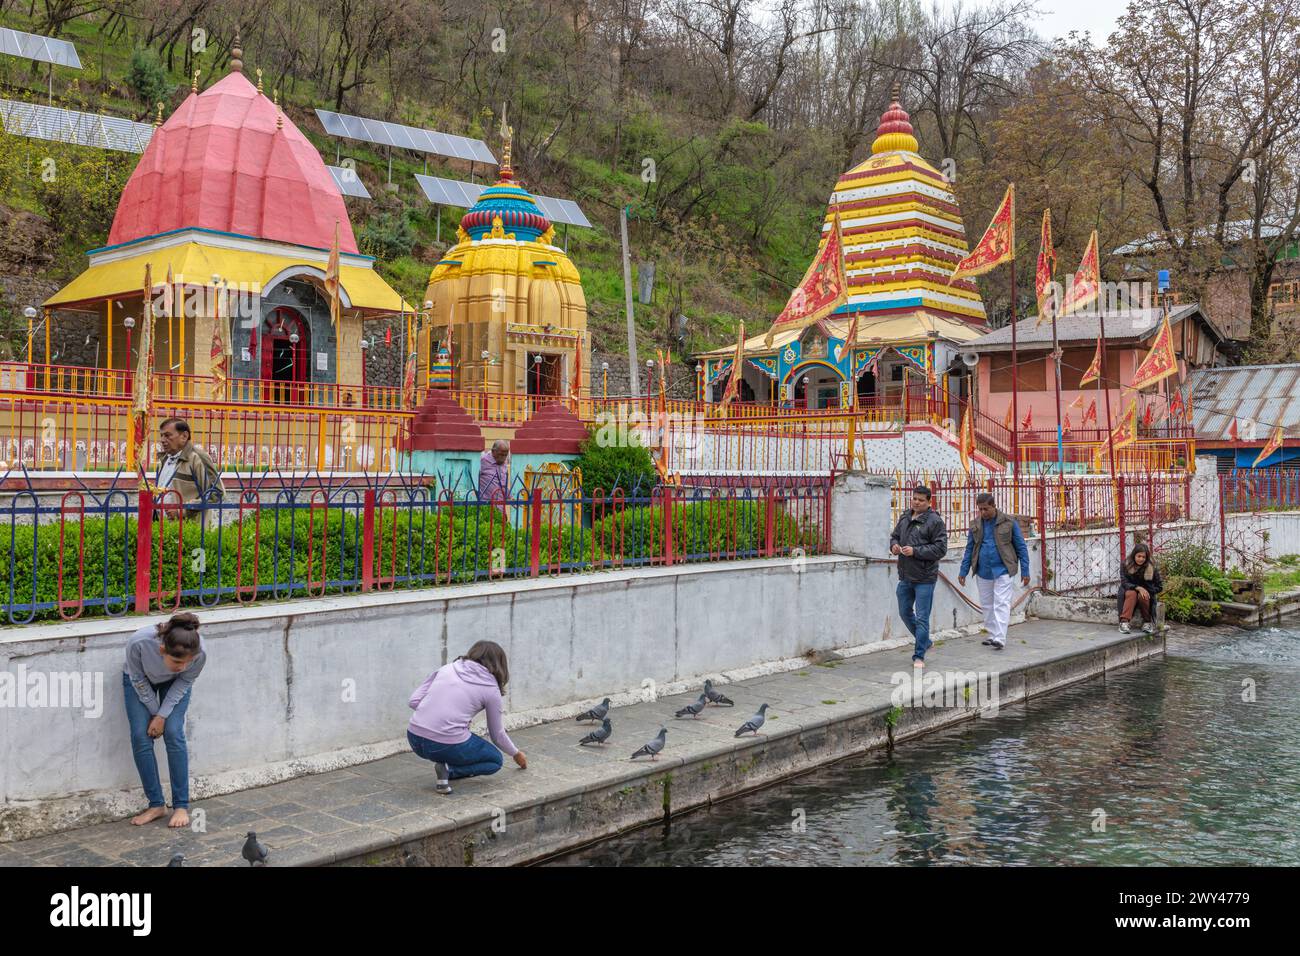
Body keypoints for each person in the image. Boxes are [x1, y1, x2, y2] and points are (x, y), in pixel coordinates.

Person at [408, 640, 527, 794]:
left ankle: (444, 775)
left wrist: (437, 713)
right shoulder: (491, 690)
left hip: (414, 738)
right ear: (500, 664)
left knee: (458, 738)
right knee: (495, 761)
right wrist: (516, 754)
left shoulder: (447, 668)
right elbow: (497, 735)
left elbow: (413, 701)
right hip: (444, 744)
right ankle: (449, 771)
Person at [122, 612, 206, 828]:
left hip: (175, 685)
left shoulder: (199, 652)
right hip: (139, 681)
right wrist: (154, 713)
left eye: (189, 662)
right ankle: (156, 805)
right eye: (177, 661)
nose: (183, 666)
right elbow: (138, 679)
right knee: (140, 735)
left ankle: (180, 805)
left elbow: (184, 680)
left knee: (173, 732)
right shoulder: (138, 642)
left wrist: (161, 716)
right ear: (162, 650)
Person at [958, 492, 1031, 651]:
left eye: (986, 509)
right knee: (987, 604)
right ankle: (992, 634)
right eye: (980, 509)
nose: (983, 512)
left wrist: (1025, 571)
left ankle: (1000, 638)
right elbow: (970, 549)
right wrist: (963, 571)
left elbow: (1021, 547)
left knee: (1001, 603)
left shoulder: (1009, 522)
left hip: (1003, 569)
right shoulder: (975, 524)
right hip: (983, 570)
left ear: (994, 506)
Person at [890, 485, 948, 668]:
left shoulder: (935, 521)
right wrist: (894, 546)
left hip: (925, 577)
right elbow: (895, 536)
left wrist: (915, 551)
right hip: (905, 575)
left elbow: (940, 549)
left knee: (923, 617)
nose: (916, 502)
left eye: (921, 500)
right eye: (914, 498)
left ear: (929, 502)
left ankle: (919, 655)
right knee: (904, 612)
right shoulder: (905, 516)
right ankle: (925, 642)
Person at [154, 417, 224, 510]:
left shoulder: (197, 457)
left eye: (167, 435)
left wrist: (183, 511)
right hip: (162, 523)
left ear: (184, 436)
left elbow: (216, 493)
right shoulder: (165, 458)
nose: (162, 440)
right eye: (161, 435)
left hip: (188, 523)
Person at [1117, 542, 1163, 634]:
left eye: (1143, 557)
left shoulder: (1151, 567)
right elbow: (1124, 582)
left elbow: (1159, 586)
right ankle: (1124, 623)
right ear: (1134, 555)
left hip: (1145, 594)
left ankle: (1147, 622)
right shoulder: (1125, 564)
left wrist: (1148, 591)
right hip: (1129, 591)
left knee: (1144, 595)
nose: (1141, 559)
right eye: (1139, 556)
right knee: (1132, 593)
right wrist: (1138, 588)